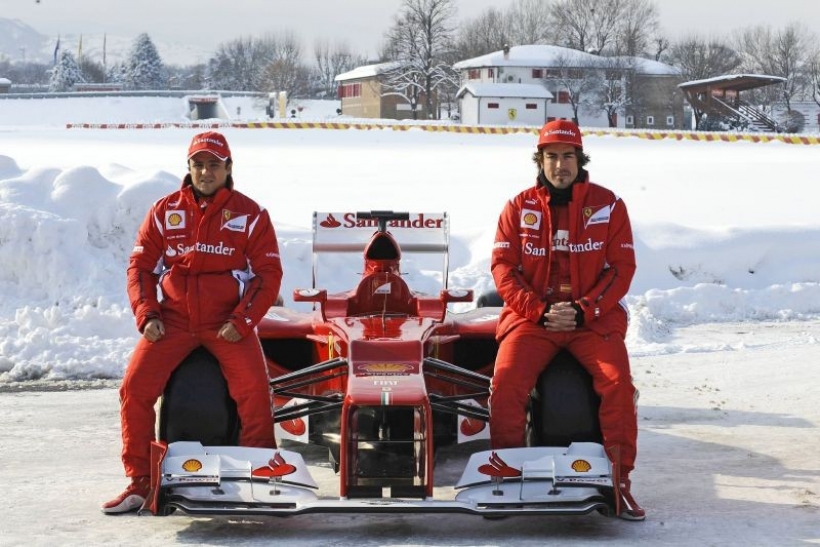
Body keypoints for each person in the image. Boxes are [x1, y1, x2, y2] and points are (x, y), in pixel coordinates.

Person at [102, 131, 283, 514]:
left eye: (213, 165)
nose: (205, 172)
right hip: (173, 320)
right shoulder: (165, 210)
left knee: (254, 391)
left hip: (227, 322)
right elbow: (140, 268)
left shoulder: (251, 214)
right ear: (188, 168)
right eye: (198, 164)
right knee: (133, 389)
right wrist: (146, 313)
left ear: (228, 168)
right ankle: (140, 481)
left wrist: (244, 319)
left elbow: (268, 274)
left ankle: (262, 475)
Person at [489, 119, 644, 520]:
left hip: (593, 319)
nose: (560, 165)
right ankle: (505, 480)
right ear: (539, 161)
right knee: (505, 385)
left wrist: (584, 309)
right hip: (532, 319)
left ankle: (618, 483)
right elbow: (504, 269)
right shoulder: (518, 207)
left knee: (618, 386)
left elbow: (621, 268)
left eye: (568, 157)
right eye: (552, 157)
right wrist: (538, 310)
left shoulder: (609, 205)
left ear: (580, 159)